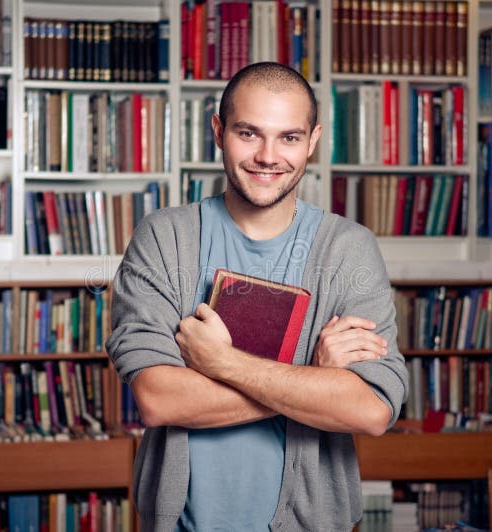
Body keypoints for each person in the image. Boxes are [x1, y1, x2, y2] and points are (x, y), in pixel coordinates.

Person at [105, 62, 408, 531]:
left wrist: (222, 363)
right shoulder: (165, 238)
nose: (269, 156)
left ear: (312, 140)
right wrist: (314, 380)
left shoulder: (348, 249)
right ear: (218, 131)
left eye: (288, 137)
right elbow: (159, 399)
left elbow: (370, 409)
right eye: (249, 133)